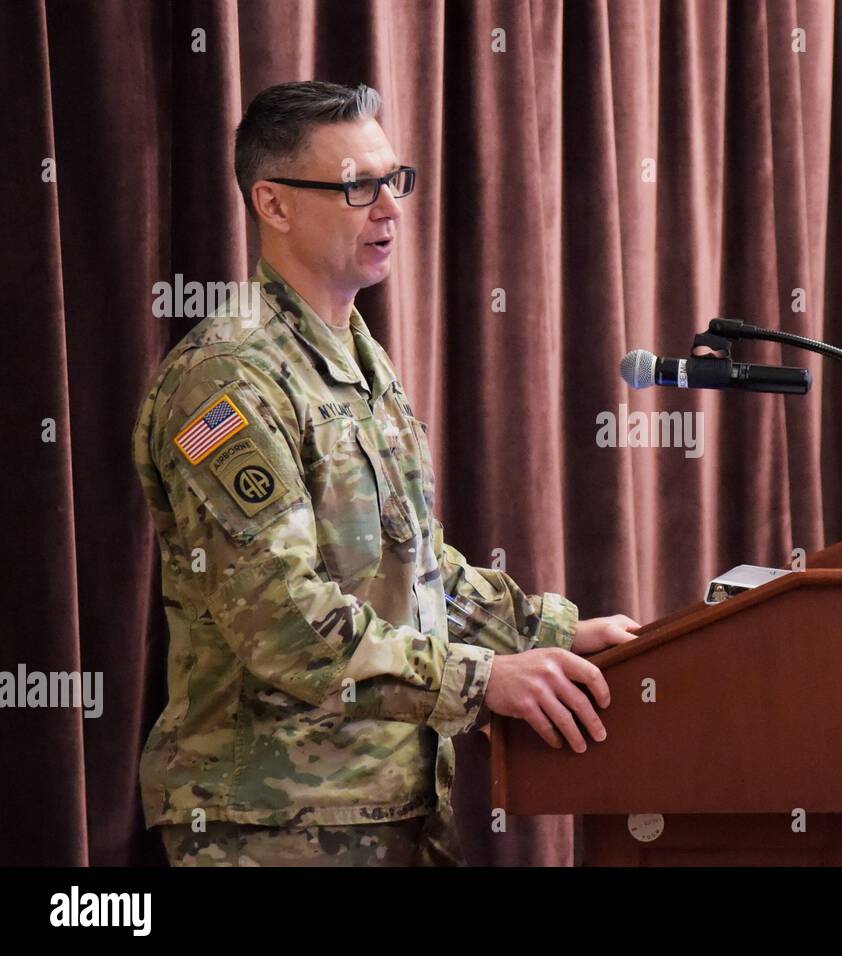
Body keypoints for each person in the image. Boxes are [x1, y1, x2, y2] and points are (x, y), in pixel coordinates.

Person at [131, 80, 639, 866]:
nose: (391, 208)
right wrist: (484, 682)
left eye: (394, 180)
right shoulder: (227, 379)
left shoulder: (358, 357)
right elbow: (286, 623)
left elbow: (414, 572)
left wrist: (553, 633)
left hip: (396, 809)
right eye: (356, 187)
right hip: (269, 828)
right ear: (273, 204)